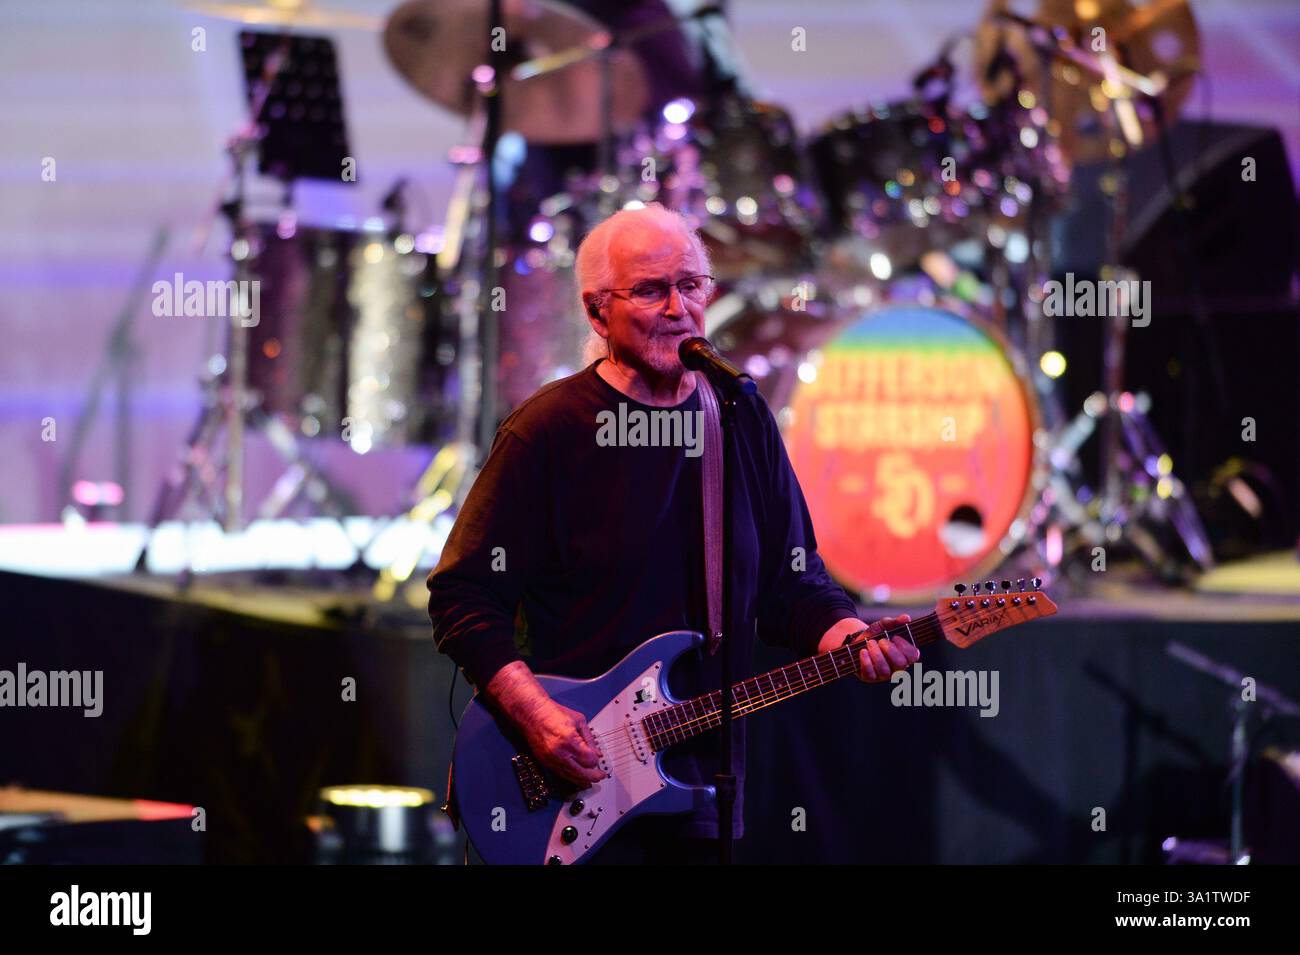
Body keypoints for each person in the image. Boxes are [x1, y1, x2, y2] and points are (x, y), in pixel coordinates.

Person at [427, 203, 919, 864]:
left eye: (691, 285)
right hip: (566, 786)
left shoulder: (739, 417)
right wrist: (540, 717)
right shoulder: (548, 432)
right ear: (598, 312)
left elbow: (791, 584)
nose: (677, 306)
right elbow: (462, 597)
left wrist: (848, 636)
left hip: (698, 795)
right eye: (650, 289)